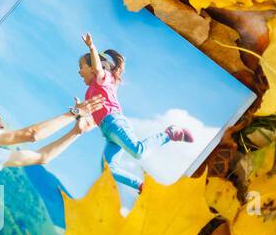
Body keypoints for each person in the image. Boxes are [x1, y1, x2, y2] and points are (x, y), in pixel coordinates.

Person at [79, 32, 194, 210]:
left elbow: (99, 69)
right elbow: (94, 112)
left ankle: (170, 133)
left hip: (115, 123)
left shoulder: (102, 80)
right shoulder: (90, 91)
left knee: (139, 152)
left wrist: (91, 47)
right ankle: (141, 186)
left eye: (82, 66)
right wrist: (80, 111)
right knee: (109, 169)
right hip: (108, 132)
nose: (79, 71)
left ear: (93, 68)